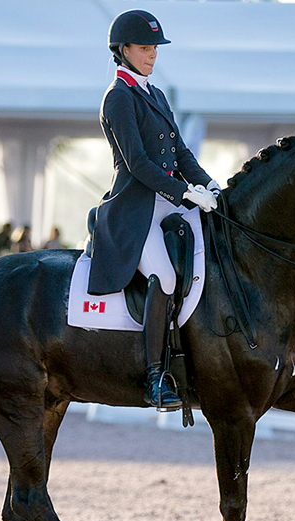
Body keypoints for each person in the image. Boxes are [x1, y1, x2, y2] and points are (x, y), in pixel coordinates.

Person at [87, 9, 219, 410]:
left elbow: (180, 152)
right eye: (144, 48)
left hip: (167, 202)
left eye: (154, 49)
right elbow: (138, 165)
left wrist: (209, 184)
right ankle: (155, 376)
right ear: (123, 50)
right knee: (163, 275)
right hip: (135, 209)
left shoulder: (156, 95)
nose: (151, 55)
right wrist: (185, 193)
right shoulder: (117, 98)